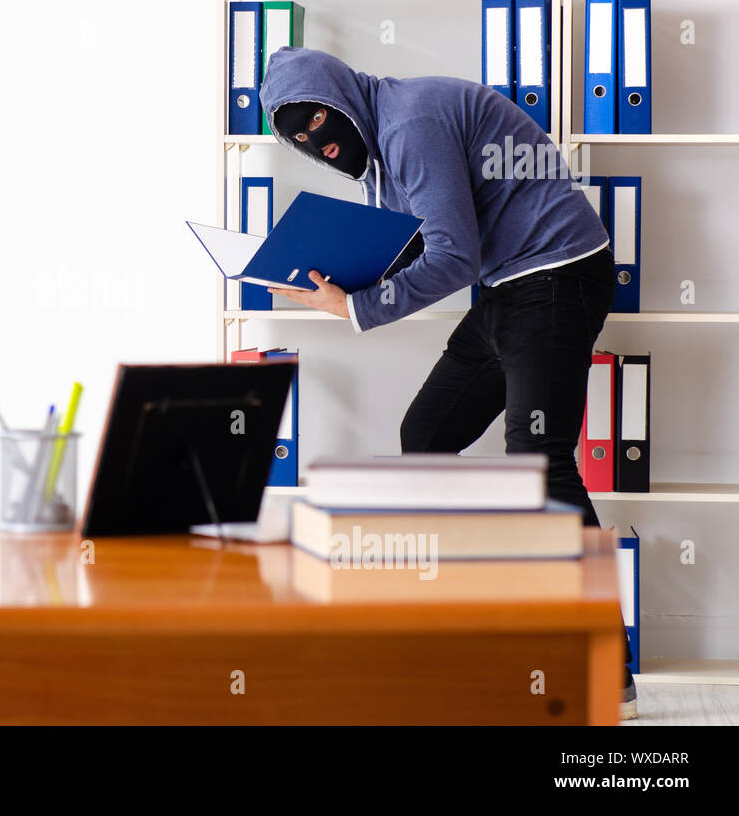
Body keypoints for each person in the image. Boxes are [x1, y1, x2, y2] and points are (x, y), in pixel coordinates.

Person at [259, 46, 637, 719]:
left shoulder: (409, 121)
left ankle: (608, 668)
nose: (320, 143)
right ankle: (474, 622)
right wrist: (331, 279)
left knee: (541, 458)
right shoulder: (382, 146)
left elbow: (453, 254)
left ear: (341, 96)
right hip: (505, 289)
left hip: (555, 276)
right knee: (427, 434)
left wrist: (357, 308)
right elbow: (417, 244)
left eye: (320, 121)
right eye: (301, 140)